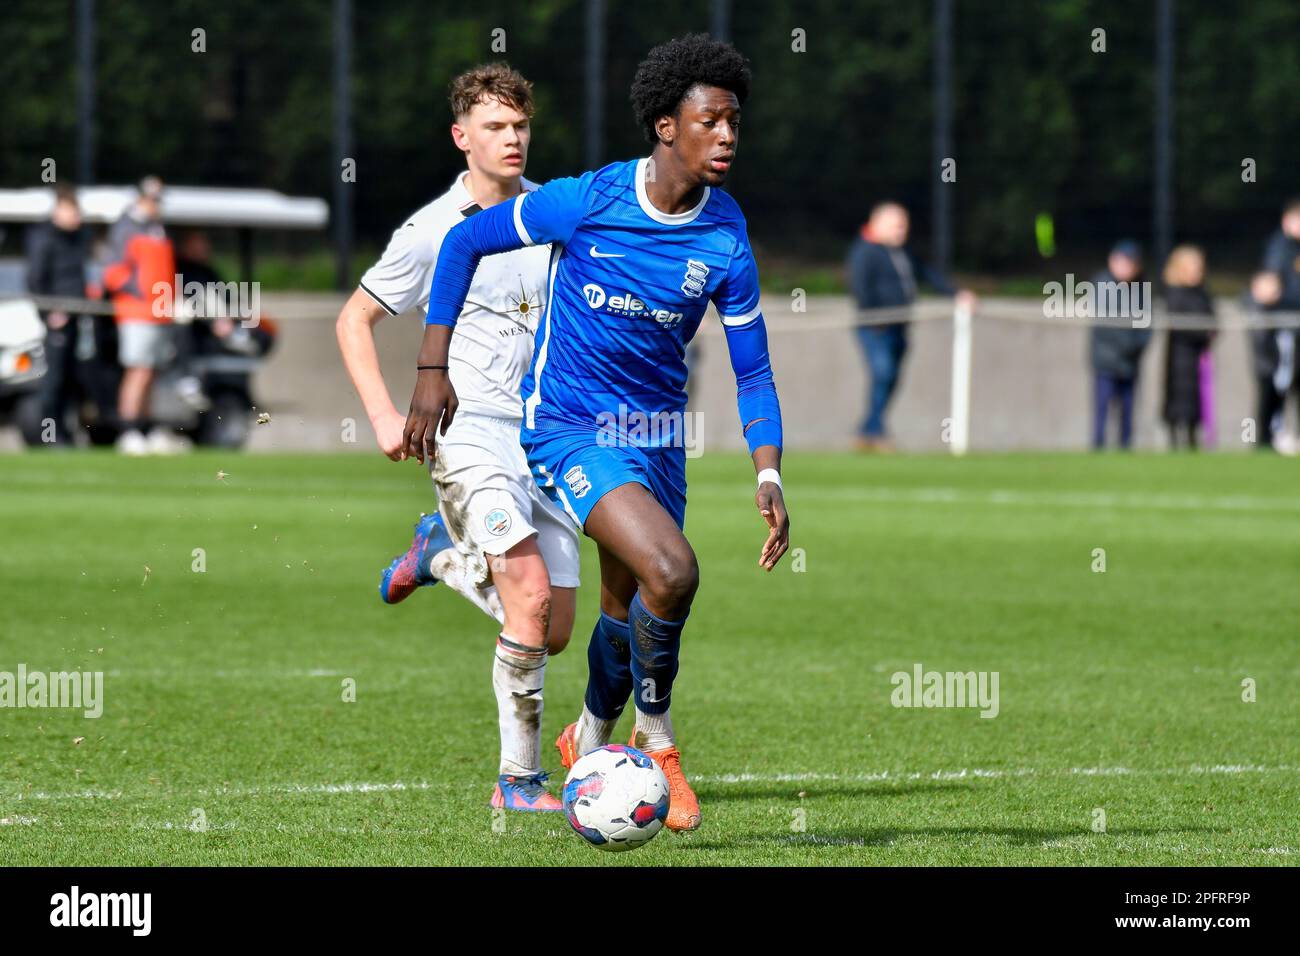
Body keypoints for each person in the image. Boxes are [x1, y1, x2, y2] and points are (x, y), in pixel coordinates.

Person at [402, 34, 791, 833]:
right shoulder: (590, 200)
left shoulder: (724, 236)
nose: (726, 136)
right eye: (710, 120)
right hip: (570, 427)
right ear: (663, 125)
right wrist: (430, 369)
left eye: (734, 123)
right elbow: (465, 241)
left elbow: (754, 371)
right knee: (673, 571)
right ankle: (659, 742)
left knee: (624, 613)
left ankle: (594, 735)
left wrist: (768, 472)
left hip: (655, 437)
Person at [335, 63, 578, 812]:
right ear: (460, 137)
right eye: (496, 127)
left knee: (553, 628)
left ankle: (438, 555)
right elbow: (354, 320)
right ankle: (518, 782)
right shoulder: (432, 231)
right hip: (466, 432)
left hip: (547, 437)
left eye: (520, 126)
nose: (512, 139)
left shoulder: (554, 214)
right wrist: (381, 416)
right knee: (529, 597)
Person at [846, 201, 974, 451]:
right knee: (883, 373)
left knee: (891, 377)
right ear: (878, 223)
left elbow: (928, 274)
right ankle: (874, 430)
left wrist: (956, 294)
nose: (902, 230)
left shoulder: (903, 251)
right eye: (897, 225)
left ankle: (869, 430)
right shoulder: (865, 251)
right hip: (876, 328)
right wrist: (876, 320)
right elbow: (861, 289)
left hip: (899, 326)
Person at [101, 175, 184, 454]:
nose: (156, 205)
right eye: (152, 200)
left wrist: (172, 299)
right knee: (138, 370)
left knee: (151, 372)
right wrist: (143, 294)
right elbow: (113, 273)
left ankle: (147, 428)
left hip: (159, 313)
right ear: (140, 199)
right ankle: (129, 430)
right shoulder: (126, 228)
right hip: (137, 312)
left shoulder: (157, 228)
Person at [24, 184, 89, 446]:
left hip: (75, 317)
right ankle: (50, 435)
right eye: (73, 212)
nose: (77, 218)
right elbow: (36, 279)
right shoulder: (46, 238)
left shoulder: (74, 238)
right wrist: (48, 312)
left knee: (70, 377)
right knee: (54, 378)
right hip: (57, 320)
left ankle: (64, 432)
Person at [1089, 240, 1151, 449]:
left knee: (1128, 409)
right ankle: (1098, 446)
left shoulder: (1141, 288)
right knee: (1102, 408)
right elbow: (1108, 325)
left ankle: (1125, 446)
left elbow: (1147, 325)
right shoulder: (1101, 285)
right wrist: (1127, 344)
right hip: (1106, 359)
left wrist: (1136, 346)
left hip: (1130, 361)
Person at [1249, 198, 1300, 452]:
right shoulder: (1279, 248)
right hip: (1284, 328)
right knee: (1281, 379)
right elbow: (1269, 291)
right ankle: (1273, 434)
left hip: (1293, 325)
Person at [1161, 245, 1214, 450]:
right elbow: (1180, 324)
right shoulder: (1174, 293)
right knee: (1178, 397)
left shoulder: (1202, 293)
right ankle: (1174, 440)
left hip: (1200, 354)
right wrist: (1202, 332)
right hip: (1179, 355)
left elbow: (1212, 319)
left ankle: (1194, 440)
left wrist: (1210, 333)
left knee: (1197, 400)